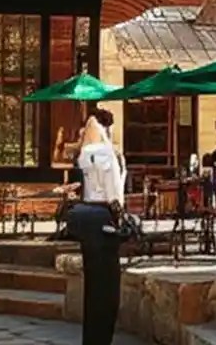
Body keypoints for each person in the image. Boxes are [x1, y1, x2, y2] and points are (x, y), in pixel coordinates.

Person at [66, 108, 126, 345]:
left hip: (87, 218)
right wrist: (120, 218)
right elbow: (113, 192)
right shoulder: (107, 153)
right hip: (104, 218)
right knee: (108, 286)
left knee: (93, 284)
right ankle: (103, 338)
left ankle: (91, 338)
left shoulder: (84, 153)